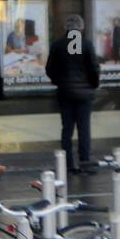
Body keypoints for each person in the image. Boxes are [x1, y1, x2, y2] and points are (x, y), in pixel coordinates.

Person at [45, 13, 100, 175]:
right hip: (84, 95)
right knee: (84, 128)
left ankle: (68, 164)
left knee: (67, 129)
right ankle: (85, 162)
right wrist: (93, 85)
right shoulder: (87, 44)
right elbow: (94, 68)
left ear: (66, 28)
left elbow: (49, 69)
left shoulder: (58, 45)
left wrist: (59, 82)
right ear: (81, 27)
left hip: (65, 93)